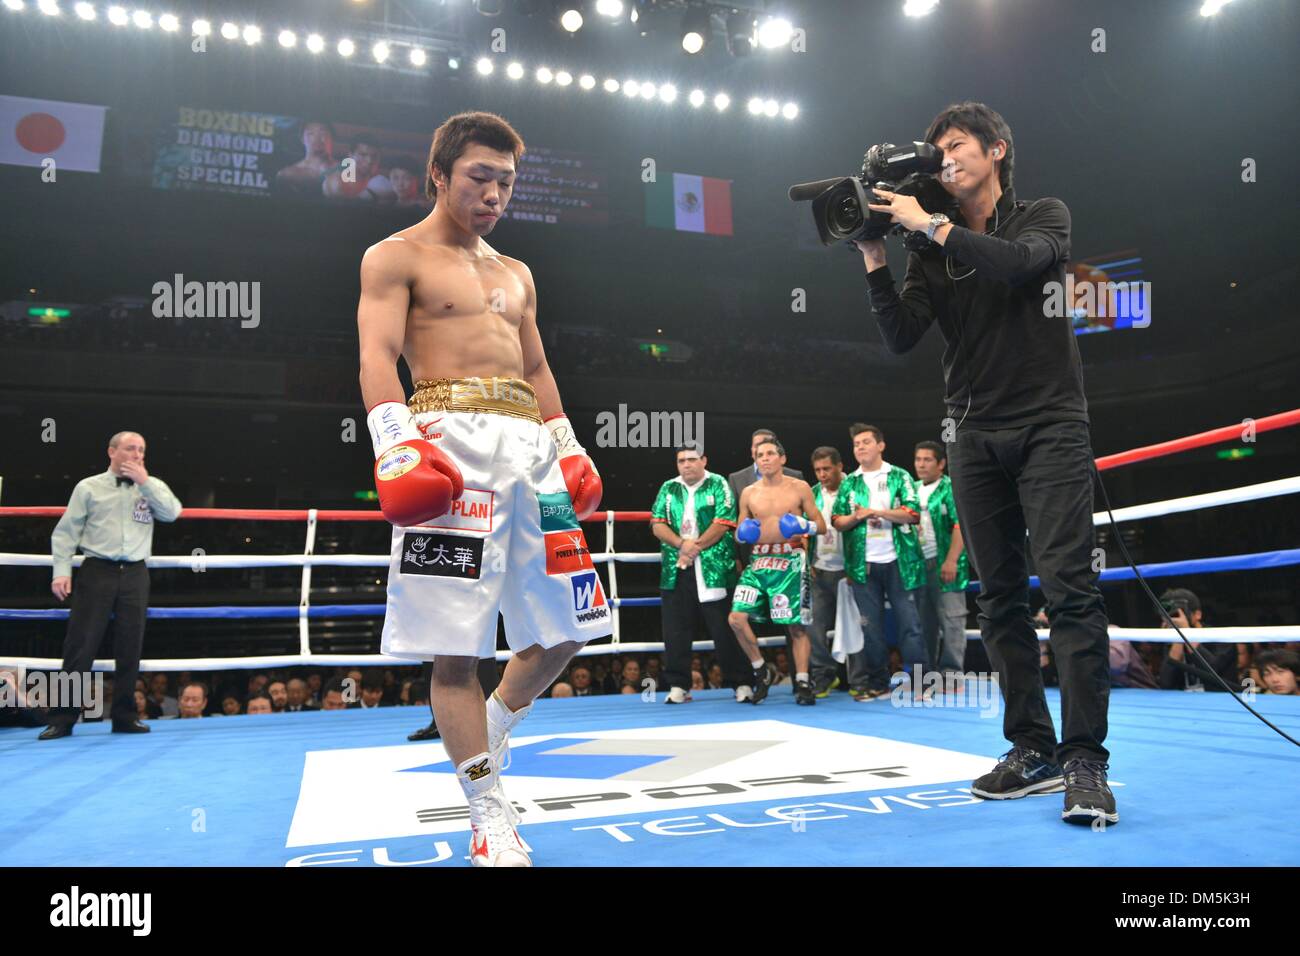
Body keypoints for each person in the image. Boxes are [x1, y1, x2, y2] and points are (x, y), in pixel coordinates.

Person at [357, 111, 608, 867]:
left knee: (570, 626)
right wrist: (394, 445)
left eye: (505, 180)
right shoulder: (394, 256)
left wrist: (567, 443)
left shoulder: (516, 272)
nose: (495, 193)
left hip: (531, 446)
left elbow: (536, 369)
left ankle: (495, 722)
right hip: (449, 446)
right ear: (439, 174)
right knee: (454, 652)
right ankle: (486, 810)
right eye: (480, 177)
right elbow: (377, 355)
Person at [858, 101, 1115, 825]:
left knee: (1068, 589)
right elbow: (903, 337)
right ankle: (1030, 747)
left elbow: (1019, 265)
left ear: (997, 150)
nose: (944, 155)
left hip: (1050, 426)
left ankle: (1085, 760)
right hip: (972, 435)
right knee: (998, 598)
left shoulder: (1043, 215)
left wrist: (929, 223)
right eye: (936, 146)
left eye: (958, 143)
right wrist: (876, 256)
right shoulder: (928, 249)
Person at [40, 431, 182, 740]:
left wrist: (145, 481)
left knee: (130, 647)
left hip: (135, 573)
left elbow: (173, 512)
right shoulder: (88, 487)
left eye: (142, 449)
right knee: (80, 646)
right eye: (131, 448)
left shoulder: (151, 486)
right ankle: (62, 719)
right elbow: (65, 533)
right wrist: (61, 570)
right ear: (112, 452)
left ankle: (124, 716)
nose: (137, 454)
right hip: (97, 570)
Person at [830, 425, 927, 701]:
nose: (859, 447)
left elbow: (912, 513)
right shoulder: (850, 482)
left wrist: (878, 512)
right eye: (856, 444)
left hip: (899, 560)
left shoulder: (899, 476)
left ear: (880, 446)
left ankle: (920, 683)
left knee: (910, 624)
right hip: (863, 564)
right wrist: (858, 517)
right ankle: (878, 683)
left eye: (865, 442)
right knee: (869, 627)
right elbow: (837, 520)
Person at [728, 437, 826, 704]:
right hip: (758, 563)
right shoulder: (749, 492)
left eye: (771, 453)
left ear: (782, 458)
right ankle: (761, 671)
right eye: (760, 454)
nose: (765, 458)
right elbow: (739, 533)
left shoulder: (800, 488)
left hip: (790, 562)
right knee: (736, 619)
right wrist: (743, 533)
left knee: (796, 627)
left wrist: (803, 526)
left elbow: (822, 526)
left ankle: (804, 682)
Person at [650, 445, 749, 704]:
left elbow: (723, 522)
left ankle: (741, 682)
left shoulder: (718, 484)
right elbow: (657, 524)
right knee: (675, 630)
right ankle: (678, 686)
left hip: (715, 569)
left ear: (704, 460)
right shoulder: (668, 488)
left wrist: (695, 547)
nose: (686, 465)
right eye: (681, 460)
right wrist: (683, 545)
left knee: (725, 628)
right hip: (676, 568)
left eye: (692, 459)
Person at [912, 441, 971, 675]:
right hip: (917, 565)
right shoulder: (911, 489)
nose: (921, 464)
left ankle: (952, 675)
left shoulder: (951, 488)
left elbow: (961, 525)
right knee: (923, 624)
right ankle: (927, 674)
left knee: (952, 621)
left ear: (941, 464)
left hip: (946, 561)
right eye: (918, 459)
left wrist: (952, 560)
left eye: (927, 460)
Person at [806, 447, 847, 697]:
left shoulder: (854, 489)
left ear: (839, 466)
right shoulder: (810, 494)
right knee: (814, 626)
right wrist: (807, 559)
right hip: (819, 569)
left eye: (827, 469)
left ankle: (856, 677)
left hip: (848, 570)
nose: (822, 474)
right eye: (818, 470)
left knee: (855, 626)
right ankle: (823, 676)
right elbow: (804, 530)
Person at [1156, 588, 1238, 692]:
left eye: (1180, 612)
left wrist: (1186, 633)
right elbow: (1166, 684)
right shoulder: (1172, 643)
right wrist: (1178, 638)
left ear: (1197, 614)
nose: (1175, 617)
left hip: (1219, 701)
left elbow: (1213, 671)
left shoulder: (1221, 637)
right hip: (1185, 704)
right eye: (1171, 613)